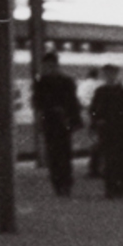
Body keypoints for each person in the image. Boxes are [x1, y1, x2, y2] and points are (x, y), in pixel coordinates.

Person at [33, 52, 81, 196]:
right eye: (47, 66)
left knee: (61, 153)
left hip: (59, 120)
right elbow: (38, 104)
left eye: (50, 65)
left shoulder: (49, 82)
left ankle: (63, 183)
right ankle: (60, 183)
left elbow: (72, 102)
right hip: (53, 121)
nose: (48, 68)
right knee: (57, 154)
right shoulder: (43, 82)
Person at [89, 65, 123, 198]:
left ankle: (118, 187)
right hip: (109, 129)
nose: (109, 76)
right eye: (107, 74)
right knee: (111, 159)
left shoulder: (119, 91)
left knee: (119, 159)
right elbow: (94, 110)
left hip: (118, 128)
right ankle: (112, 188)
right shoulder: (104, 91)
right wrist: (96, 122)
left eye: (111, 74)